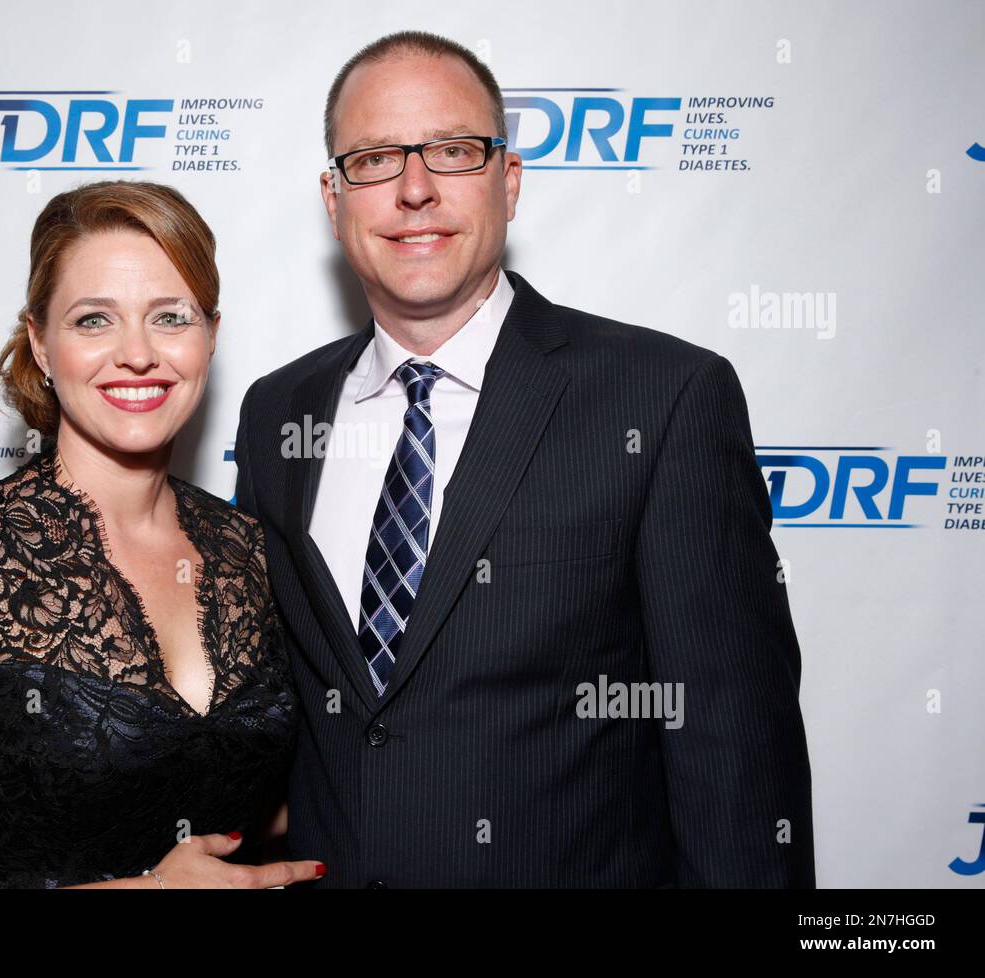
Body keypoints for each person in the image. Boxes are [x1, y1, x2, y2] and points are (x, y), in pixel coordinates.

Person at [233, 30, 815, 887]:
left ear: (509, 180)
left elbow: (733, 747)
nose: (416, 189)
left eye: (454, 151)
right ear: (333, 197)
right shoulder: (279, 411)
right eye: (374, 160)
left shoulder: (663, 398)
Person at [0, 180, 325, 889]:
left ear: (210, 336)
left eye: (170, 317)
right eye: (93, 321)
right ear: (40, 343)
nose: (138, 354)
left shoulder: (251, 551)